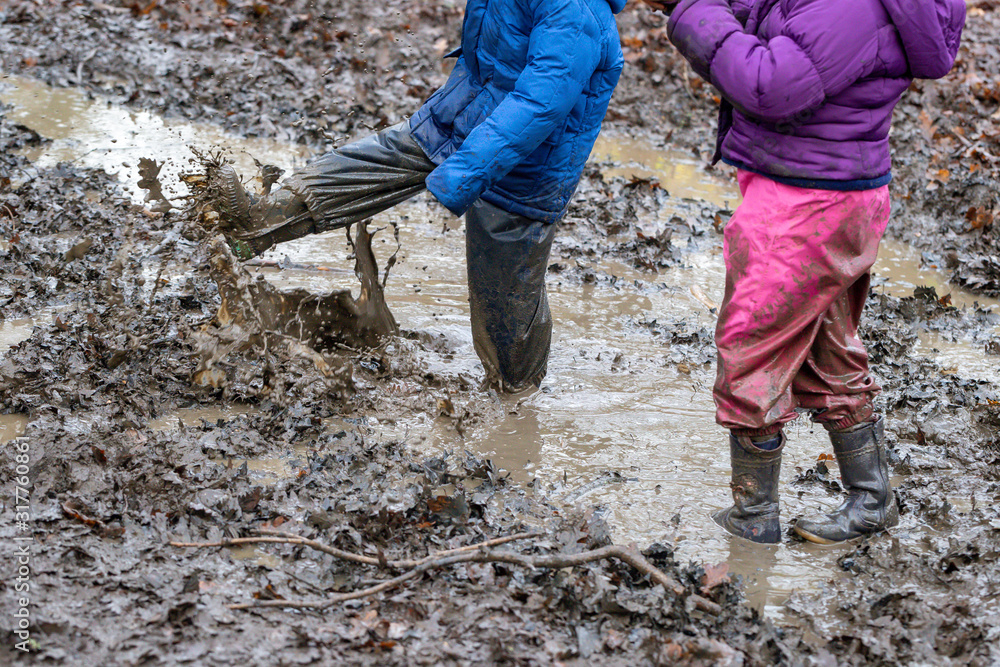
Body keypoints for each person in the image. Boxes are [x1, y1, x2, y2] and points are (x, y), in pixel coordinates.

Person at [655, 0, 965, 543]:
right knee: (828, 345)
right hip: (825, 189)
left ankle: (754, 519)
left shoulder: (852, 7)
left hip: (807, 201)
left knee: (750, 343)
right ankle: (871, 500)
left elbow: (769, 85)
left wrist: (692, 11)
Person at [213, 0, 626, 393]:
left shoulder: (578, 12)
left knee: (506, 306)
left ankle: (515, 399)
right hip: (457, 117)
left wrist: (462, 175)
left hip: (525, 171)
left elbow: (539, 104)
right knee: (369, 162)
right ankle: (259, 222)